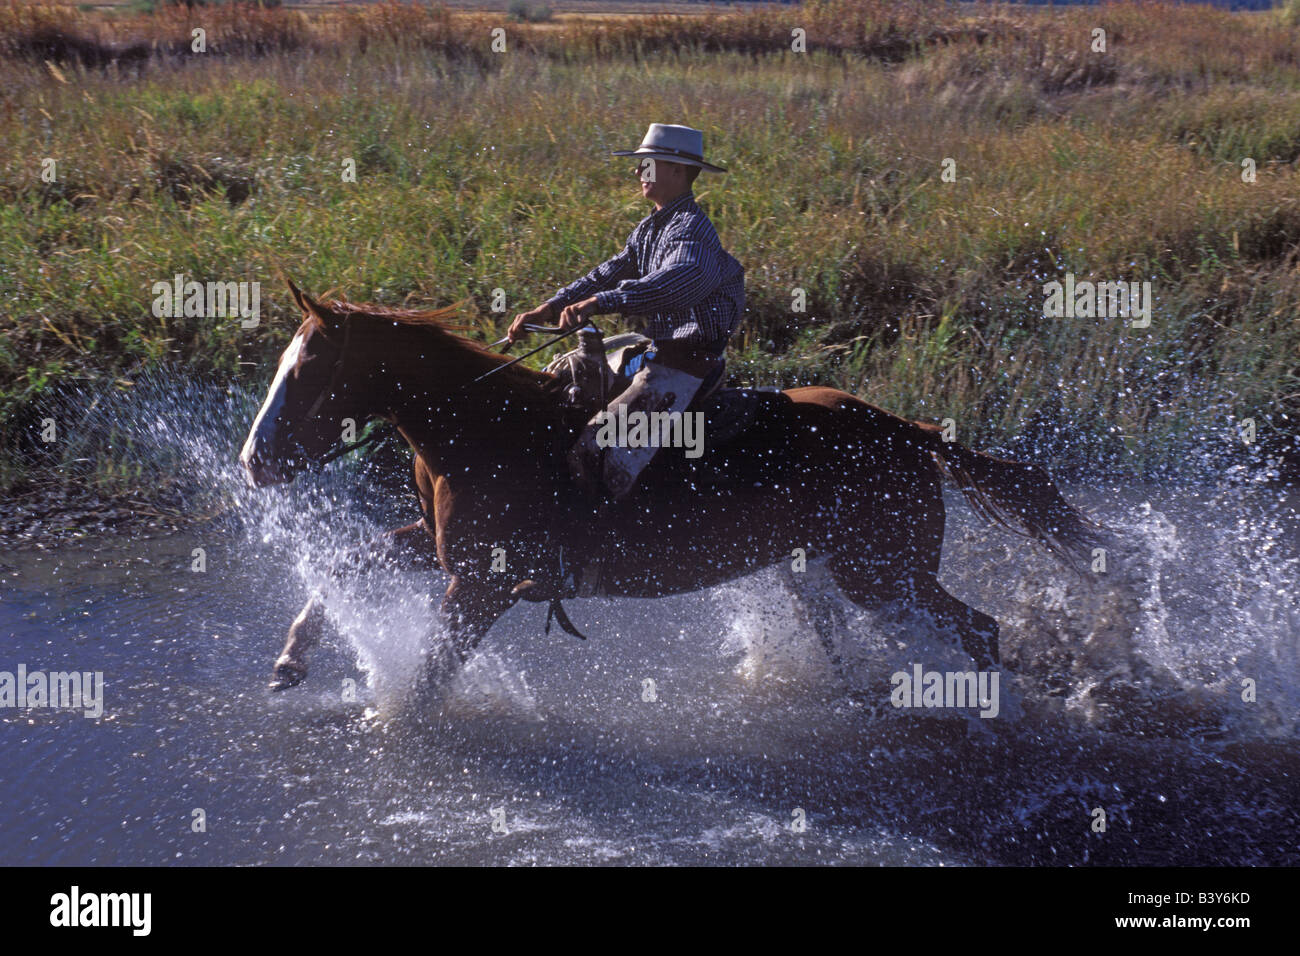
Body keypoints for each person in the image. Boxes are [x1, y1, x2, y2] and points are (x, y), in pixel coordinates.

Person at [508, 123, 745, 502]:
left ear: (676, 171)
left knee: (596, 448)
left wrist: (602, 303)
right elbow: (610, 271)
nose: (638, 172)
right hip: (658, 353)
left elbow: (678, 283)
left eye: (646, 164)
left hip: (685, 365)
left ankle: (605, 546)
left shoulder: (691, 231)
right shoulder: (652, 228)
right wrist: (553, 305)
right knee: (562, 391)